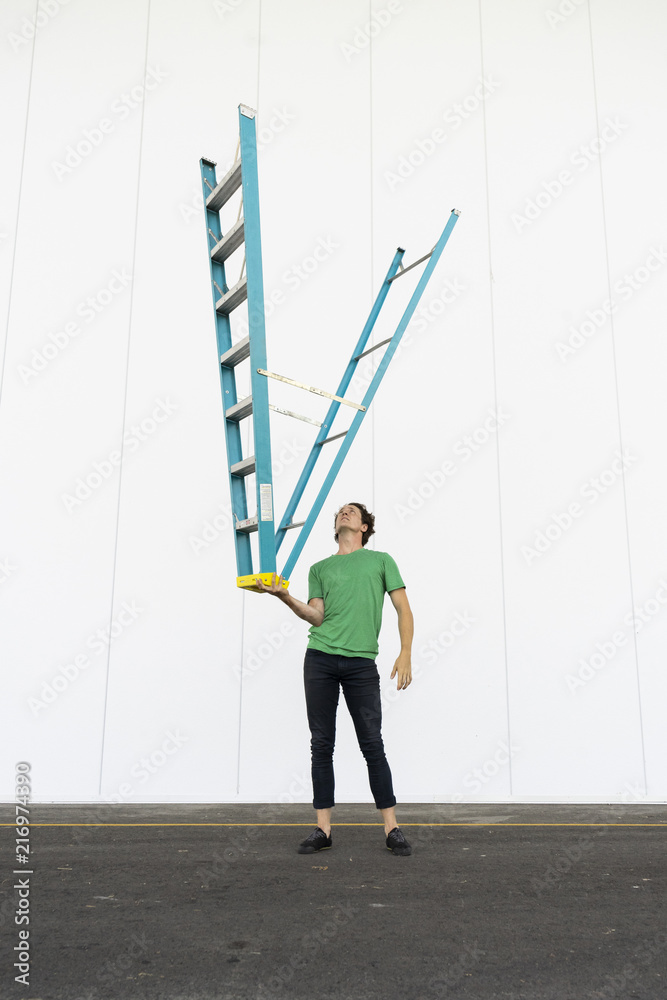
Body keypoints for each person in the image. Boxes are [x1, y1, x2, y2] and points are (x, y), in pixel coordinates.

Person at [255, 502, 414, 856]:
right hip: (320, 659)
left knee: (372, 744)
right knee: (321, 744)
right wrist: (284, 596)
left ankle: (392, 828)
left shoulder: (381, 561)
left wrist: (405, 652)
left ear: (364, 527)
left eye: (352, 511)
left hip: (361, 663)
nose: (345, 513)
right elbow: (316, 616)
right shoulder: (320, 568)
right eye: (341, 510)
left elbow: (403, 608)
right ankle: (323, 830)